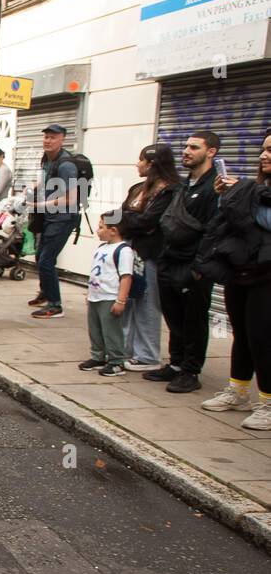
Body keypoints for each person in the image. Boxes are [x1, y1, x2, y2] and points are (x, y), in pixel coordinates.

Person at [197, 130, 271, 430]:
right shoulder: (255, 188)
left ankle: (267, 402)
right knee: (242, 333)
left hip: (267, 274)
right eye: (264, 149)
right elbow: (233, 224)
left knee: (263, 338)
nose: (265, 155)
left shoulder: (253, 191)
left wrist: (243, 195)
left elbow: (261, 221)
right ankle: (239, 391)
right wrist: (227, 197)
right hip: (242, 269)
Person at [147, 130, 221, 394]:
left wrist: (201, 266)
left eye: (194, 147)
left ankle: (191, 370)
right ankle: (176, 363)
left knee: (193, 319)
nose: (187, 152)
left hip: (194, 264)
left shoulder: (216, 187)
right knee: (174, 316)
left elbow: (215, 229)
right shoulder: (183, 185)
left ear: (211, 152)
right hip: (171, 259)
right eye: (186, 147)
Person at [119, 144, 180, 373]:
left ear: (152, 164)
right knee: (128, 300)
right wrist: (131, 220)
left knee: (147, 303)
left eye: (141, 160)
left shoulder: (170, 190)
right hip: (131, 250)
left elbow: (150, 222)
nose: (138, 164)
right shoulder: (137, 188)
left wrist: (129, 221)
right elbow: (121, 213)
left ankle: (147, 355)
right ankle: (124, 349)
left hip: (151, 254)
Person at [29, 124, 83, 319]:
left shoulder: (66, 165)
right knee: (40, 256)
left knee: (46, 259)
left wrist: (40, 205)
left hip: (63, 217)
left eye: (52, 137)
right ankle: (46, 292)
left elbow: (71, 198)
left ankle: (55, 305)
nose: (48, 141)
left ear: (62, 139)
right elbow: (44, 181)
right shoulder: (47, 159)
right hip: (49, 216)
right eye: (46, 137)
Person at [78, 209, 134, 377]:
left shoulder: (124, 251)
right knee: (95, 329)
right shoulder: (102, 247)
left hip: (110, 297)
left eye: (101, 227)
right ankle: (98, 356)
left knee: (111, 331)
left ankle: (116, 361)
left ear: (113, 230)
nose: (97, 230)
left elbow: (126, 277)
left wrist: (121, 301)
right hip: (96, 296)